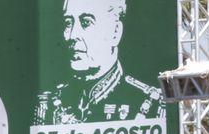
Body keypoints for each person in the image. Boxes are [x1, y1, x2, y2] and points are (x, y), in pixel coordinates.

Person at [34, 0, 163, 124]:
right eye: (68, 23)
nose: (72, 35)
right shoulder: (48, 105)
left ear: (115, 32)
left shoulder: (151, 103)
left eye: (86, 22)